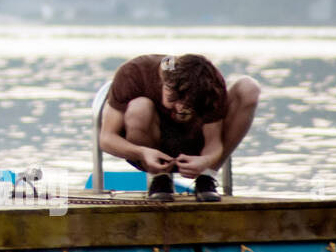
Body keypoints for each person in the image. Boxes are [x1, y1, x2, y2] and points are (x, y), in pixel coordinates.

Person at [96, 54, 260, 201]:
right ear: (164, 83)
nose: (180, 108)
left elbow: (213, 141)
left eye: (189, 104)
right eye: (174, 99)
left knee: (249, 87)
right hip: (147, 146)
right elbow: (106, 139)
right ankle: (159, 179)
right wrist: (142, 152)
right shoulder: (134, 72)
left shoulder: (210, 84)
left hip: (195, 146)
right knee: (140, 107)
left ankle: (206, 178)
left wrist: (206, 160)